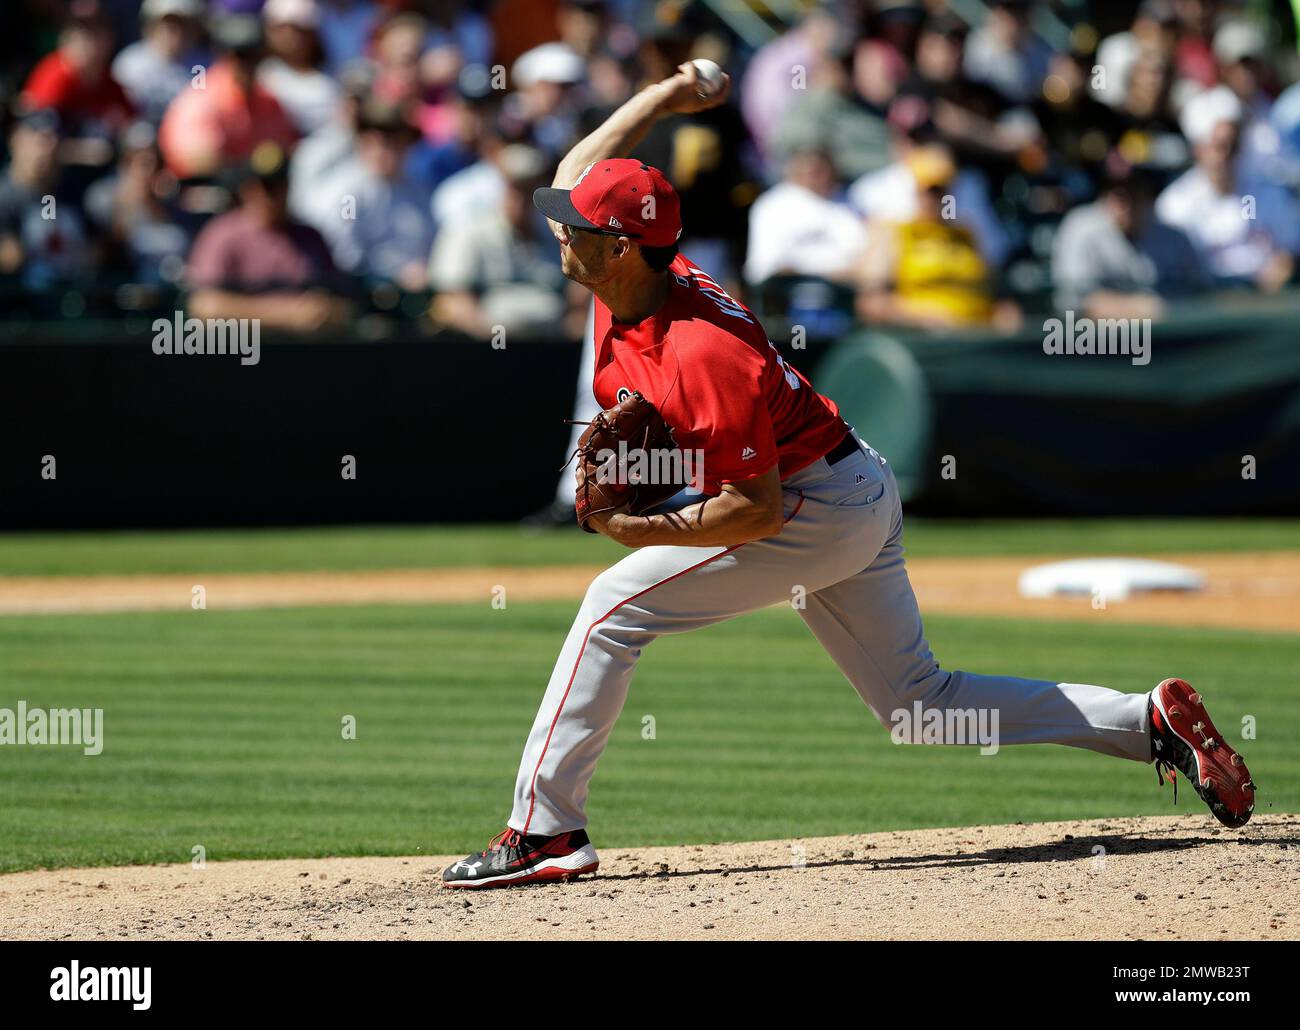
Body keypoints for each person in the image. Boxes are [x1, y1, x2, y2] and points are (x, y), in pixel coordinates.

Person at [440, 64, 1256, 889]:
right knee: (921, 706)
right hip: (851, 484)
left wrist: (634, 528)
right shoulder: (641, 274)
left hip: (807, 507)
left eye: (576, 229)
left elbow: (753, 512)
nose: (559, 234)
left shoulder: (697, 351)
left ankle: (545, 831)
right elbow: (575, 170)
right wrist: (664, 97)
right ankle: (1146, 722)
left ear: (619, 248)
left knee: (610, 610)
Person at [186, 141, 351, 332]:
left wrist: (324, 311)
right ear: (247, 190)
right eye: (266, 188)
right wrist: (282, 314)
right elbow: (204, 306)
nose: (272, 197)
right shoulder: (223, 234)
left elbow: (344, 302)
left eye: (279, 186)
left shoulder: (310, 237)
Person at [857, 143, 1019, 330]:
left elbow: (998, 293)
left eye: (943, 190)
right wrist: (927, 320)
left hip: (977, 338)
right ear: (916, 192)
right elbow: (872, 303)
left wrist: (1006, 320)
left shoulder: (968, 235)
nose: (937, 198)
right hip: (926, 344)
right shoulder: (892, 233)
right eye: (930, 190)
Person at [428, 143, 576, 339]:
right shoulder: (469, 230)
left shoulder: (555, 232)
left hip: (550, 344)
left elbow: (576, 295)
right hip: (490, 344)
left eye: (531, 188)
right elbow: (451, 298)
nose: (522, 198)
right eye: (515, 188)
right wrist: (496, 341)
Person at [157, 12, 299, 178]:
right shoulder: (202, 98)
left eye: (254, 54)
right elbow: (192, 160)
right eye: (241, 55)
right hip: (201, 191)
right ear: (224, 55)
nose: (248, 63)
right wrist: (249, 165)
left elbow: (285, 146)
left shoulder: (267, 98)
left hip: (254, 190)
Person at [1052, 167, 1205, 318]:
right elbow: (1075, 300)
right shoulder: (1081, 228)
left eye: (1134, 191)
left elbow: (1200, 290)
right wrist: (1135, 308)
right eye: (1117, 194)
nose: (1125, 204)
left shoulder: (1172, 237)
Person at [743, 145, 865, 286]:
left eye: (822, 169)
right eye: (811, 171)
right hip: (791, 293)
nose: (818, 176)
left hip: (846, 291)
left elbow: (862, 258)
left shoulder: (849, 201)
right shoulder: (773, 205)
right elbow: (767, 266)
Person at [111, 0, 206, 125]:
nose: (176, 33)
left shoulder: (204, 65)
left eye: (183, 25)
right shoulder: (130, 64)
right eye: (168, 26)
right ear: (150, 26)